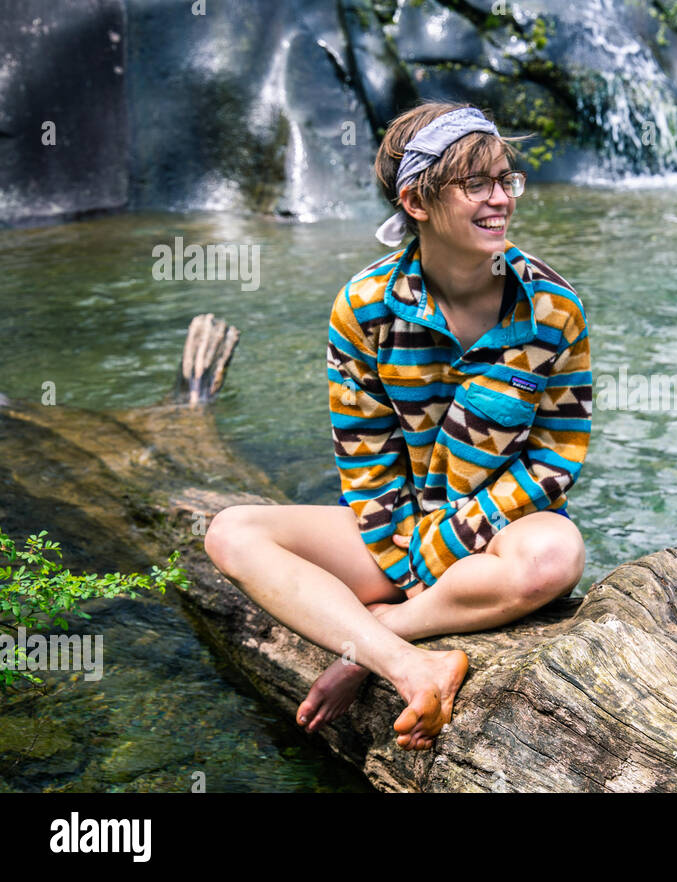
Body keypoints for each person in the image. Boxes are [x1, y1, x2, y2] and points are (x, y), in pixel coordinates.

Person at [204, 101, 592, 751]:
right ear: (417, 200)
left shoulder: (554, 309)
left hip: (499, 531)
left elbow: (554, 460)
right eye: (478, 184)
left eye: (507, 179)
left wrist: (442, 550)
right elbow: (366, 462)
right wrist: (413, 554)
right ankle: (410, 665)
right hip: (391, 532)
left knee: (557, 555)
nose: (502, 199)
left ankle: (375, 638)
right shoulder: (362, 308)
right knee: (231, 534)